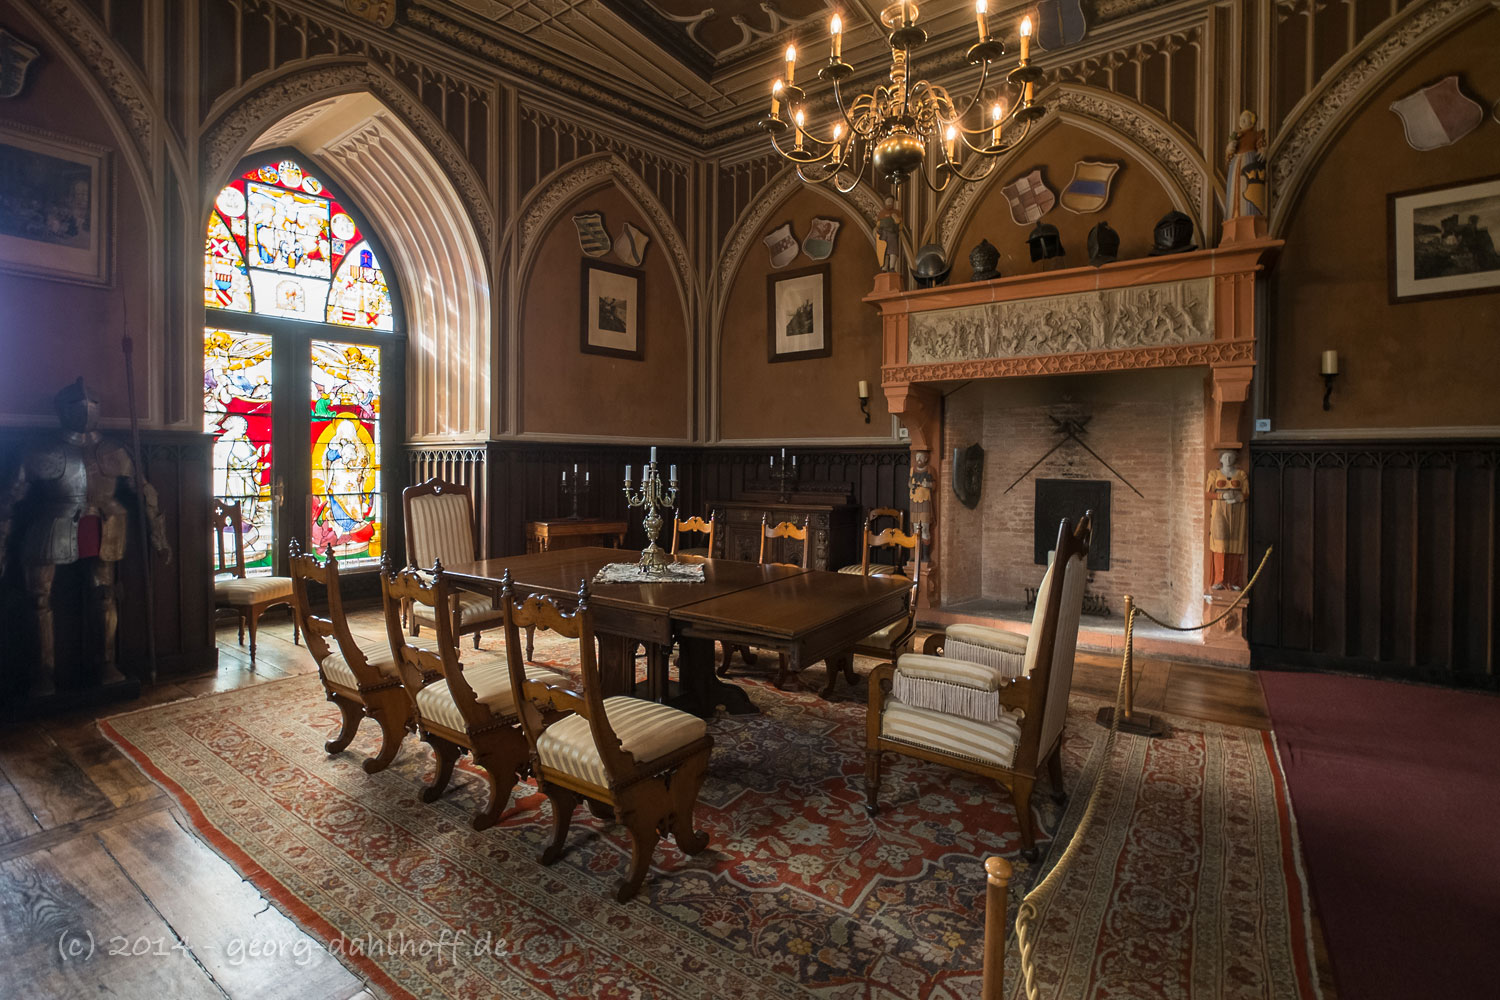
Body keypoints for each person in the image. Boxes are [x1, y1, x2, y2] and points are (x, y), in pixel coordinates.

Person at [1206, 449, 1248, 590]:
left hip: (1237, 510)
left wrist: (1238, 497)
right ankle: (1219, 579)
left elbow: (1246, 493)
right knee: (1220, 542)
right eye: (1225, 457)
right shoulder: (1214, 474)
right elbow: (1208, 493)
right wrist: (1222, 496)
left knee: (1235, 543)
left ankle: (1234, 580)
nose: (1228, 460)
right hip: (1219, 510)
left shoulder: (1241, 474)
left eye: (1231, 457)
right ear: (1221, 459)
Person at [1224, 110, 1267, 219]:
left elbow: (1261, 146)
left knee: (1247, 188)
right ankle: (1233, 215)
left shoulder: (1256, 134)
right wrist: (1229, 149)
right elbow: (1228, 157)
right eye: (1241, 119)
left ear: (1252, 122)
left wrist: (1263, 150)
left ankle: (1248, 214)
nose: (1242, 120)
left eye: (1246, 118)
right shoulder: (1236, 137)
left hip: (1249, 162)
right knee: (1234, 190)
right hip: (1235, 164)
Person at [874, 196, 905, 273]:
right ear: (885, 202)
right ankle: (884, 267)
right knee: (884, 252)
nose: (889, 203)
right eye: (888, 201)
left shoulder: (896, 212)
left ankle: (892, 267)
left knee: (893, 251)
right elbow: (878, 224)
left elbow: (900, 224)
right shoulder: (882, 213)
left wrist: (896, 219)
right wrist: (877, 229)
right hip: (884, 234)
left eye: (891, 201)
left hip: (892, 234)